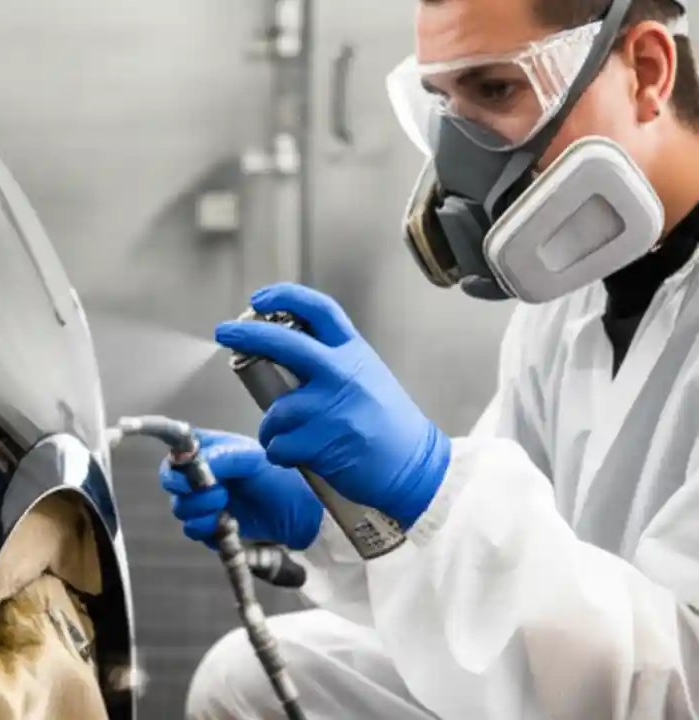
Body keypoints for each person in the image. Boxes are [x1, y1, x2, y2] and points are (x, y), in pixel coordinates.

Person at [160, 0, 699, 717]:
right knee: (249, 678)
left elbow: (676, 684)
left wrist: (424, 483)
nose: (456, 159)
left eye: (496, 88)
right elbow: (499, 593)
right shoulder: (567, 304)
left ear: (648, 71)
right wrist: (347, 517)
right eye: (443, 103)